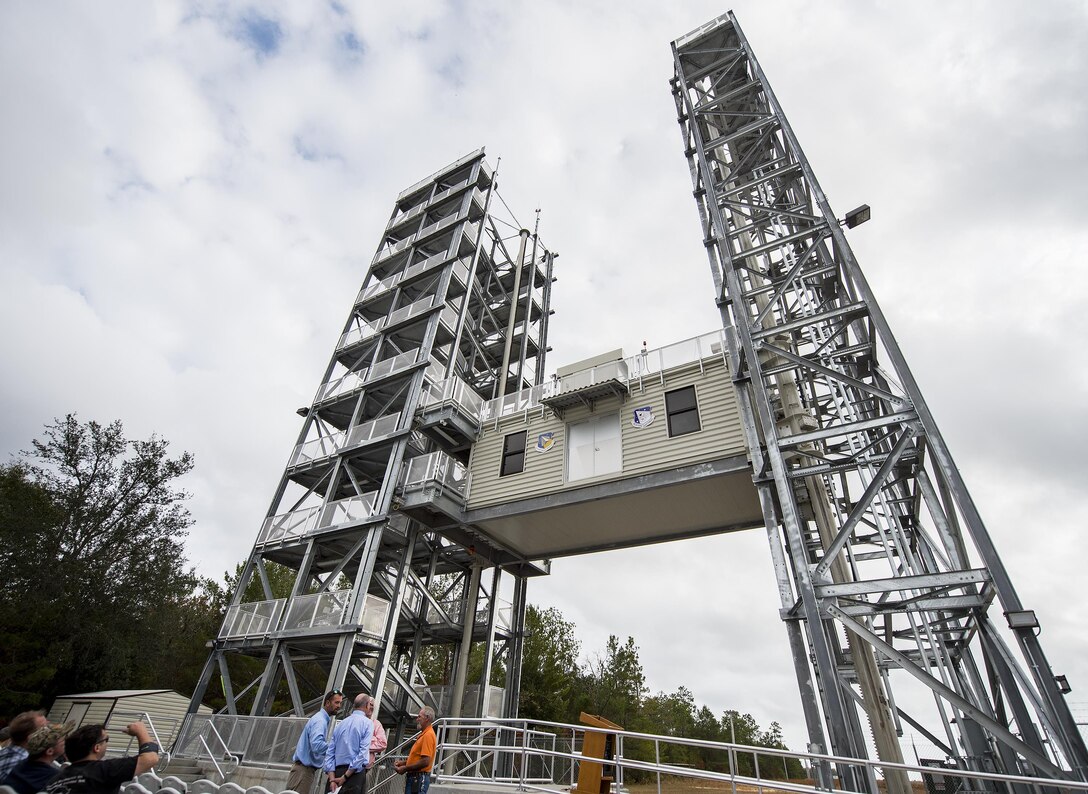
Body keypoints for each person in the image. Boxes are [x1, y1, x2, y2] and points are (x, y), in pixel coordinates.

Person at [45, 721, 159, 794]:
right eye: (106, 740)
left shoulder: (55, 780)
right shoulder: (104, 770)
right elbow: (151, 758)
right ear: (97, 748)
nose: (107, 743)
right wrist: (141, 731)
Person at [287, 690, 344, 794]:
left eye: (340, 703)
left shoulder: (321, 719)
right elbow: (317, 745)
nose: (339, 706)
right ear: (327, 703)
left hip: (303, 770)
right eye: (336, 702)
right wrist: (335, 748)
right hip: (304, 771)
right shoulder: (320, 721)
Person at [324, 694, 372, 794]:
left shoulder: (341, 723)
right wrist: (345, 777)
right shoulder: (367, 723)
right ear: (367, 705)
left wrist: (332, 779)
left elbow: (330, 752)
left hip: (335, 773)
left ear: (354, 705)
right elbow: (362, 753)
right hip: (354, 775)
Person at [6, 723, 72, 794]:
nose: (65, 742)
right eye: (62, 741)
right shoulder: (54, 777)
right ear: (50, 751)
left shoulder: (20, 765)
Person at [393, 707, 436, 794]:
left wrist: (405, 768)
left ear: (427, 718)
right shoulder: (424, 734)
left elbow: (425, 761)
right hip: (416, 779)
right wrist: (404, 763)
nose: (417, 719)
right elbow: (419, 758)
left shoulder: (428, 735)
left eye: (419, 717)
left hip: (418, 779)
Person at [0, 711, 48, 783]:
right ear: (31, 737)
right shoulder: (23, 765)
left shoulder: (5, 752)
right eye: (44, 729)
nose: (49, 733)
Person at [363, 697, 386, 770]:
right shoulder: (354, 721)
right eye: (369, 704)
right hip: (348, 764)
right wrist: (373, 739)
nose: (371, 707)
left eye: (372, 705)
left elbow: (382, 744)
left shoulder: (376, 724)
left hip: (365, 767)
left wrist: (362, 745)